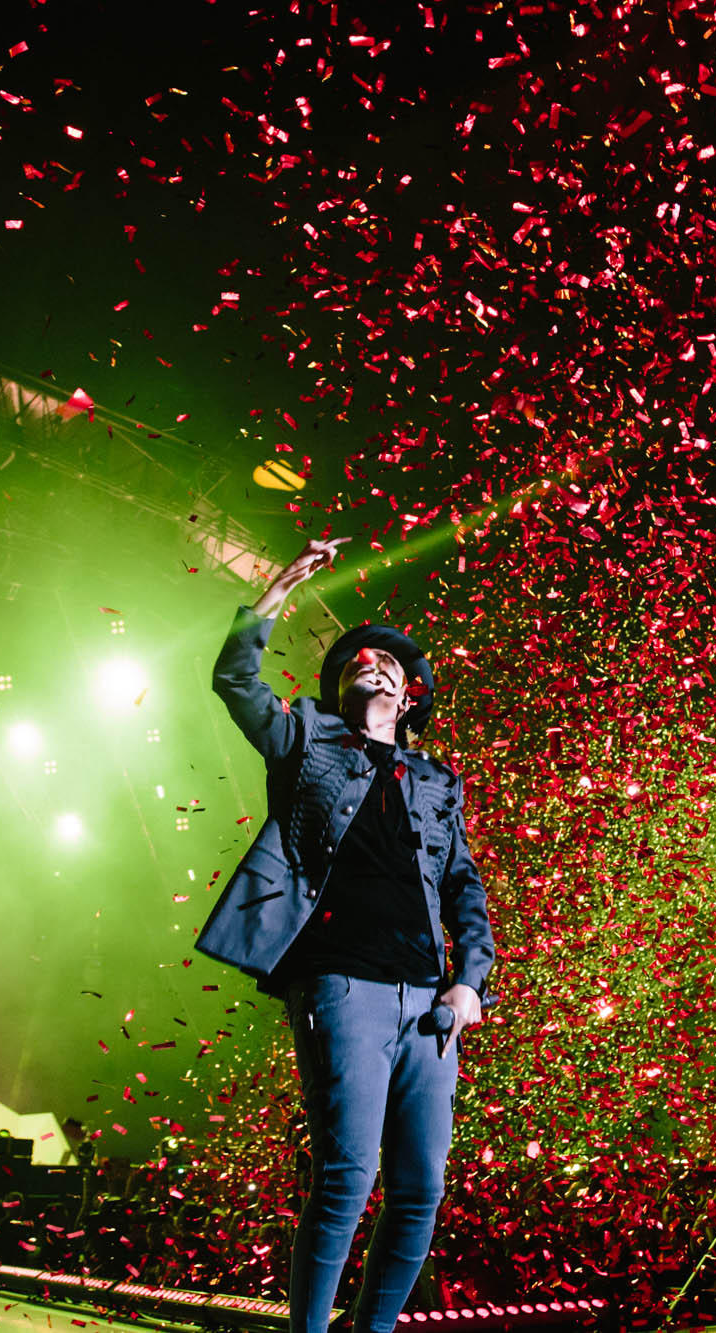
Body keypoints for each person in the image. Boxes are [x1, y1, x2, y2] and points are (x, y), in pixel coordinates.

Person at [198, 535, 495, 1333]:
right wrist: (273, 594)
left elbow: (464, 885)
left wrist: (471, 980)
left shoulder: (436, 779)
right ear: (341, 684)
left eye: (393, 665)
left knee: (421, 1190)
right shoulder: (306, 738)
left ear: (412, 696)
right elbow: (235, 679)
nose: (377, 662)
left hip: (430, 1003)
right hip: (342, 984)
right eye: (363, 659)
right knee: (346, 1175)